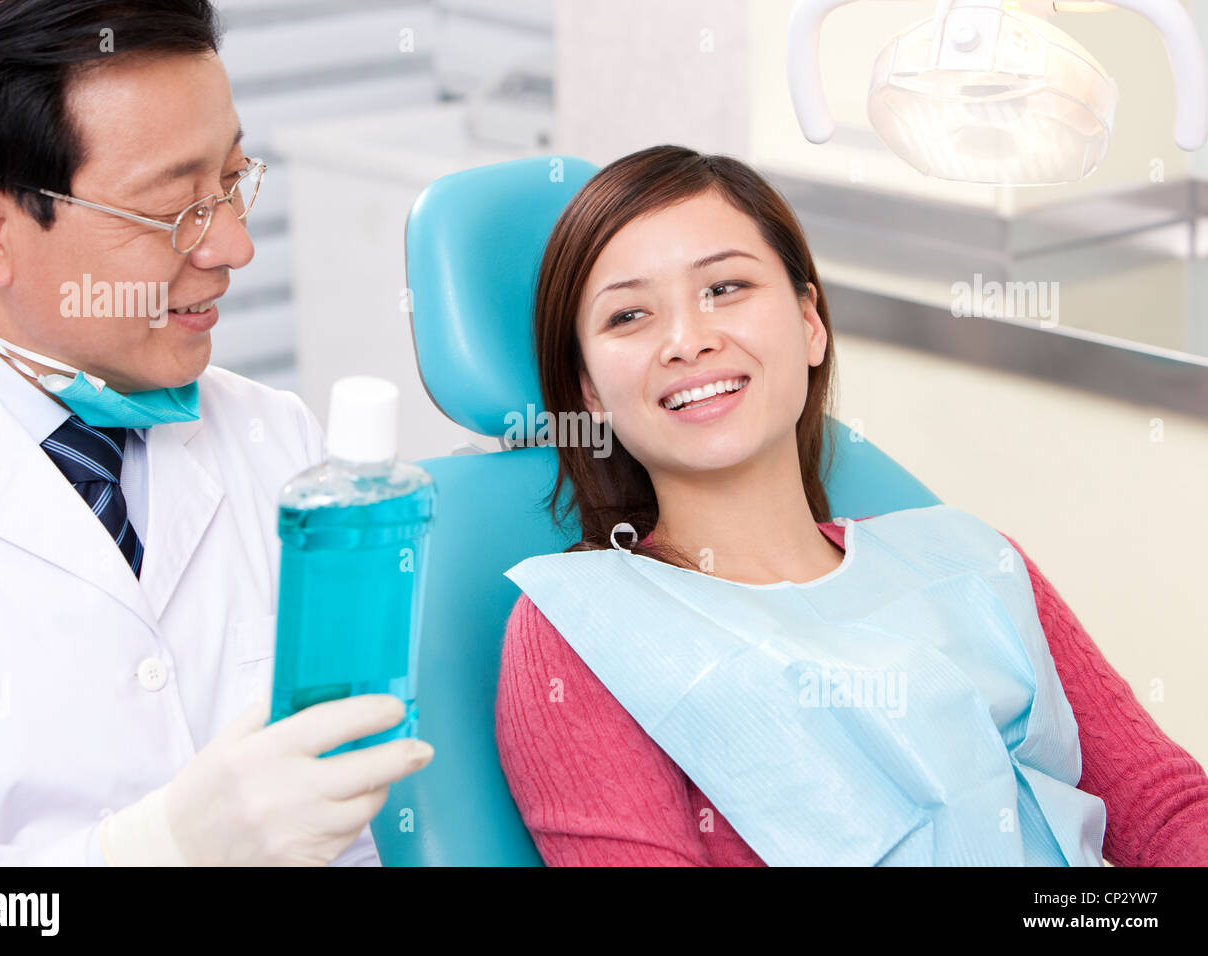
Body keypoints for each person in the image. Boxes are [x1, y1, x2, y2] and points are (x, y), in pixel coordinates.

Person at [495, 144, 1208, 866]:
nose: (689, 341)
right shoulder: (583, 632)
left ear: (810, 322)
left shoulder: (969, 560)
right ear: (588, 392)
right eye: (629, 316)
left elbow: (1163, 812)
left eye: (725, 288)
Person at [0, 0, 432, 866]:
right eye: (173, 209)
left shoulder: (278, 444)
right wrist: (158, 849)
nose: (233, 245)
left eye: (231, 183)